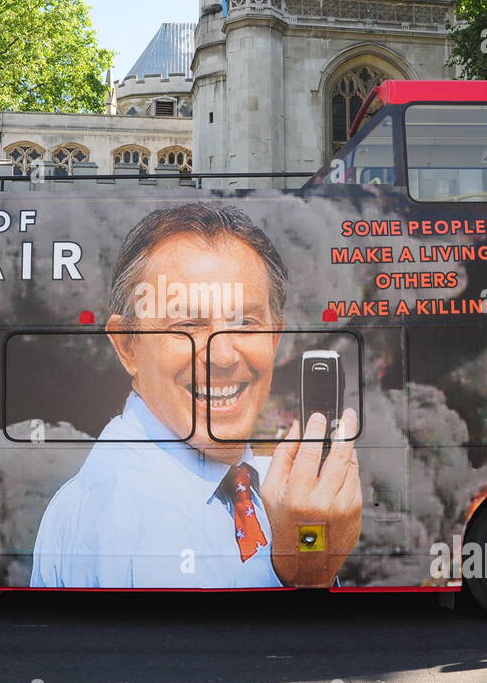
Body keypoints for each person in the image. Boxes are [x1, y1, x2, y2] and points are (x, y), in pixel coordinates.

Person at [30, 203, 362, 588]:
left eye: (245, 323)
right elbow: (203, 648)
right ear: (127, 345)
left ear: (275, 337)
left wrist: (307, 544)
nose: (222, 355)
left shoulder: (267, 487)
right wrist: (298, 568)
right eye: (187, 323)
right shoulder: (121, 511)